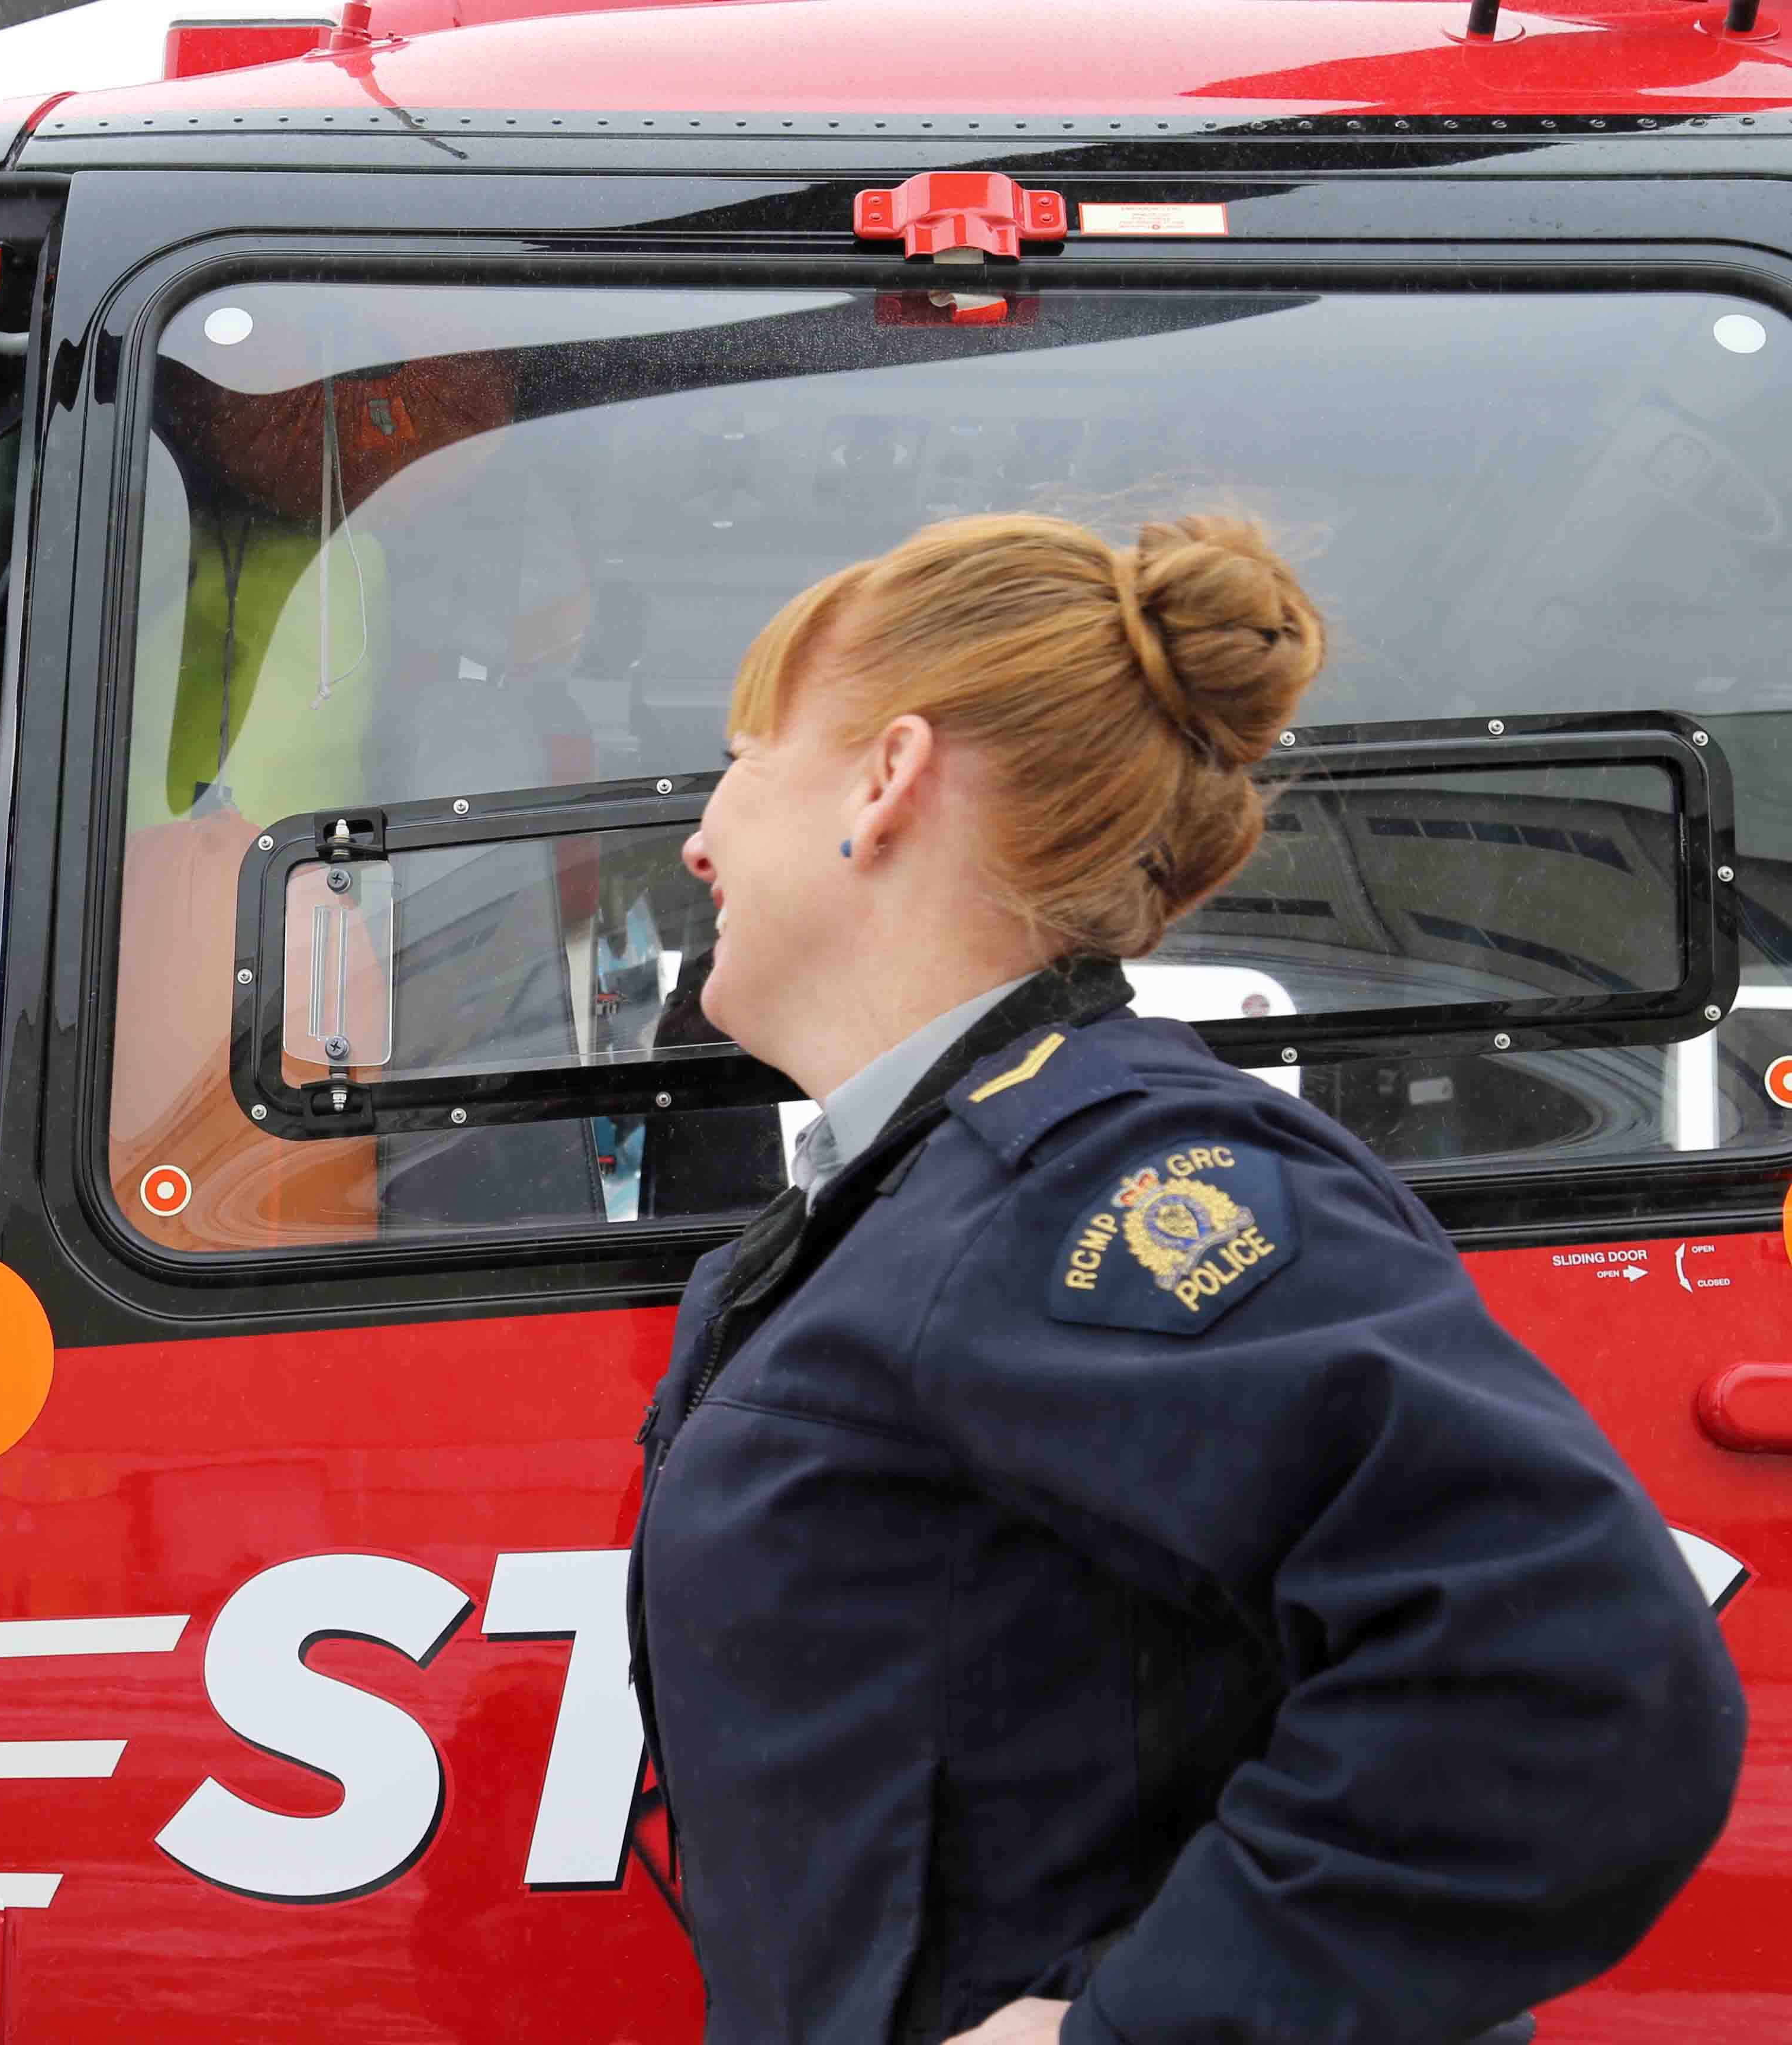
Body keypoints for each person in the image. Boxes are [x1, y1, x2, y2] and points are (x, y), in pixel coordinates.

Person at [628, 512, 1743, 2045]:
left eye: (744, 758)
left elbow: (1571, 1667)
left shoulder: (1093, 1191)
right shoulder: (921, 1201)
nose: (698, 839)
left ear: (884, 782)